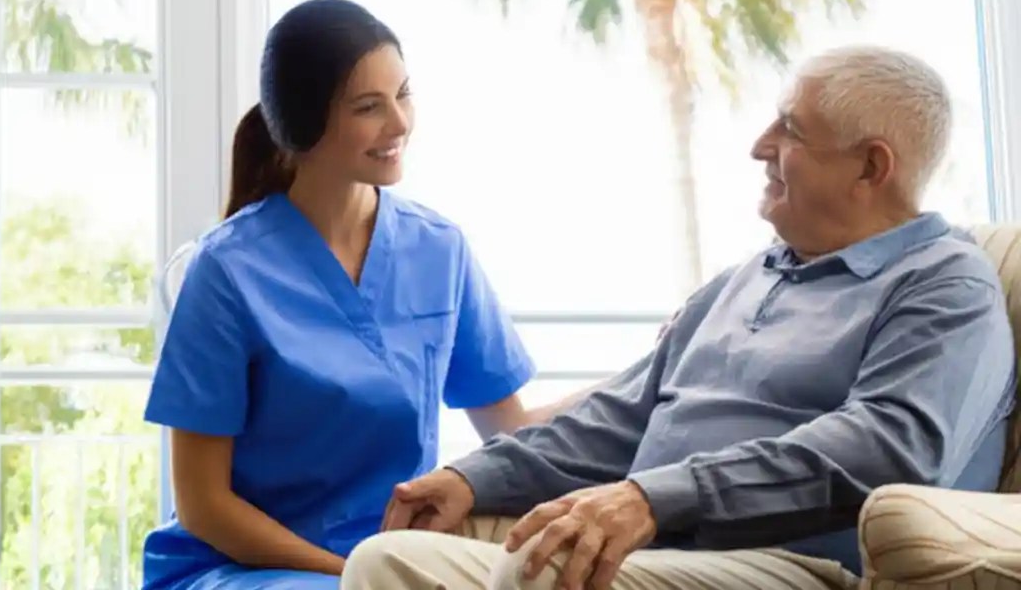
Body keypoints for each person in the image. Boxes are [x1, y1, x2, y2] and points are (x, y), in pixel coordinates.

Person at [341, 45, 1018, 590]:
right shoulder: (748, 276)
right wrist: (475, 476)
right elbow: (623, 417)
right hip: (665, 552)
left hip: (798, 565)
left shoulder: (944, 285)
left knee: (548, 573)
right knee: (389, 560)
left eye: (791, 129)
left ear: (871, 166)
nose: (760, 145)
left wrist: (653, 497)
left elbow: (886, 447)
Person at [141, 0, 572, 590]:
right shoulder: (226, 270)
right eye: (369, 107)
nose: (399, 123)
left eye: (404, 95)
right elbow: (204, 506)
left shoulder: (439, 249)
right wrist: (357, 575)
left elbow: (513, 428)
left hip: (388, 566)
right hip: (245, 568)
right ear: (304, 122)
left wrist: (650, 376)